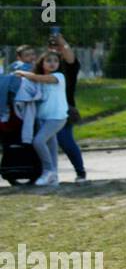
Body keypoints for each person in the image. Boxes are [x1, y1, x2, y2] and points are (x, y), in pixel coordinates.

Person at [14, 50, 69, 187]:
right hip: (42, 118)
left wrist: (23, 73)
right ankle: (54, 175)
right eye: (48, 61)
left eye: (55, 61)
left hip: (57, 117)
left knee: (38, 141)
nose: (52, 63)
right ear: (42, 63)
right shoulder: (36, 80)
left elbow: (39, 78)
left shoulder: (59, 77)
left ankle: (47, 171)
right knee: (51, 146)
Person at [50, 33, 86, 182]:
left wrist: (62, 40)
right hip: (45, 111)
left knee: (65, 141)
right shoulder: (44, 66)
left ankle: (80, 172)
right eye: (53, 47)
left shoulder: (68, 67)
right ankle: (48, 173)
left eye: (59, 48)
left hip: (64, 111)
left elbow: (69, 55)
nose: (57, 50)